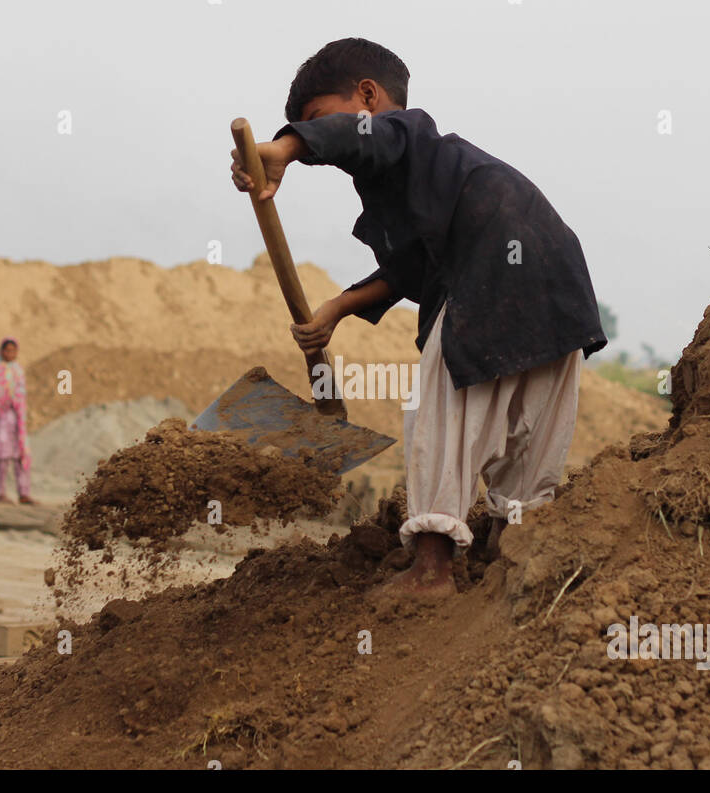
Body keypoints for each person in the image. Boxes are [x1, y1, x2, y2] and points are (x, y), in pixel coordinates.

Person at [230, 38, 607, 597]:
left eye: (316, 119)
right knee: (533, 426)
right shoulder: (423, 180)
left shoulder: (407, 133)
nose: (318, 140)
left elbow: (366, 137)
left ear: (367, 96)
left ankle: (431, 572)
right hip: (558, 285)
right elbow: (411, 266)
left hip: (490, 261)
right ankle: (513, 553)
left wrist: (285, 148)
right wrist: (336, 309)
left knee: (442, 410)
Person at [0, 337, 35, 505]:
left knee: (22, 456)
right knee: (3, 458)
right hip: (2, 419)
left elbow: (21, 393)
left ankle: (24, 493)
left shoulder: (18, 370)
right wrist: (9, 399)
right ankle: (1, 493)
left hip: (18, 420)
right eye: (7, 350)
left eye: (13, 351)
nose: (10, 353)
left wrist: (18, 404)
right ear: (2, 352)